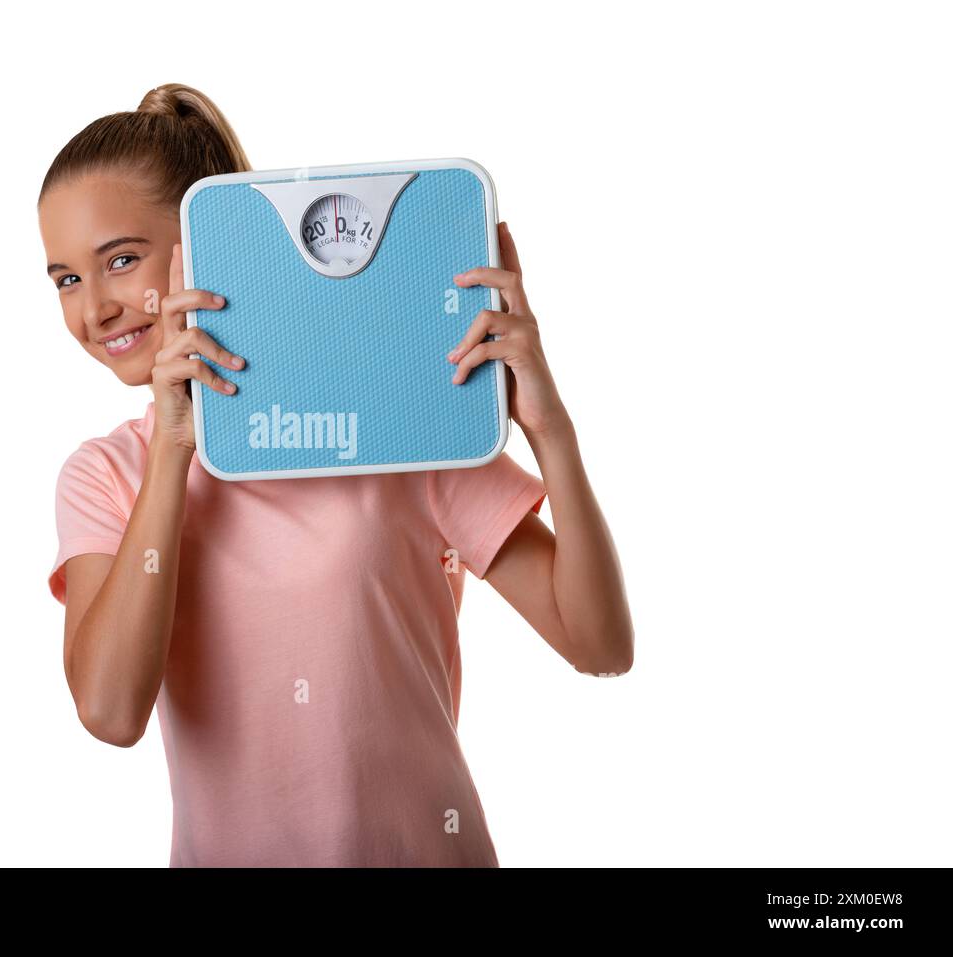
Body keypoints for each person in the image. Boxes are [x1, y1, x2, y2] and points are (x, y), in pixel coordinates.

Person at [38, 83, 634, 867]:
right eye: (66, 279)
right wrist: (175, 449)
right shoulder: (107, 475)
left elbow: (600, 644)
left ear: (210, 242)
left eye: (121, 260)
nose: (94, 310)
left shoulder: (396, 428)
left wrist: (550, 430)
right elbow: (111, 711)